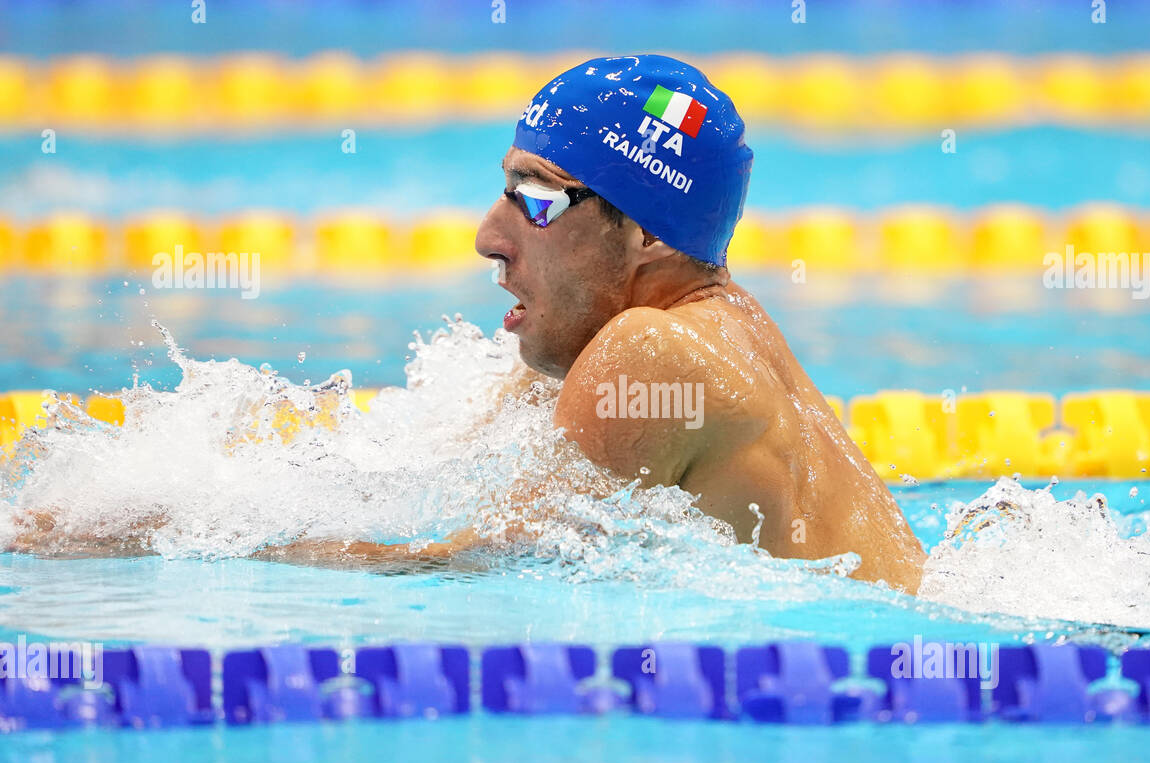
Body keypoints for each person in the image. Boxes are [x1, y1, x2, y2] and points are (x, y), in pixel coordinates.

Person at [7, 54, 927, 593]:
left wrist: (162, 536)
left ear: (644, 229)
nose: (489, 235)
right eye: (505, 186)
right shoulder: (699, 333)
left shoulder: (650, 350)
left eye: (534, 197)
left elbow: (469, 569)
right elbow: (423, 476)